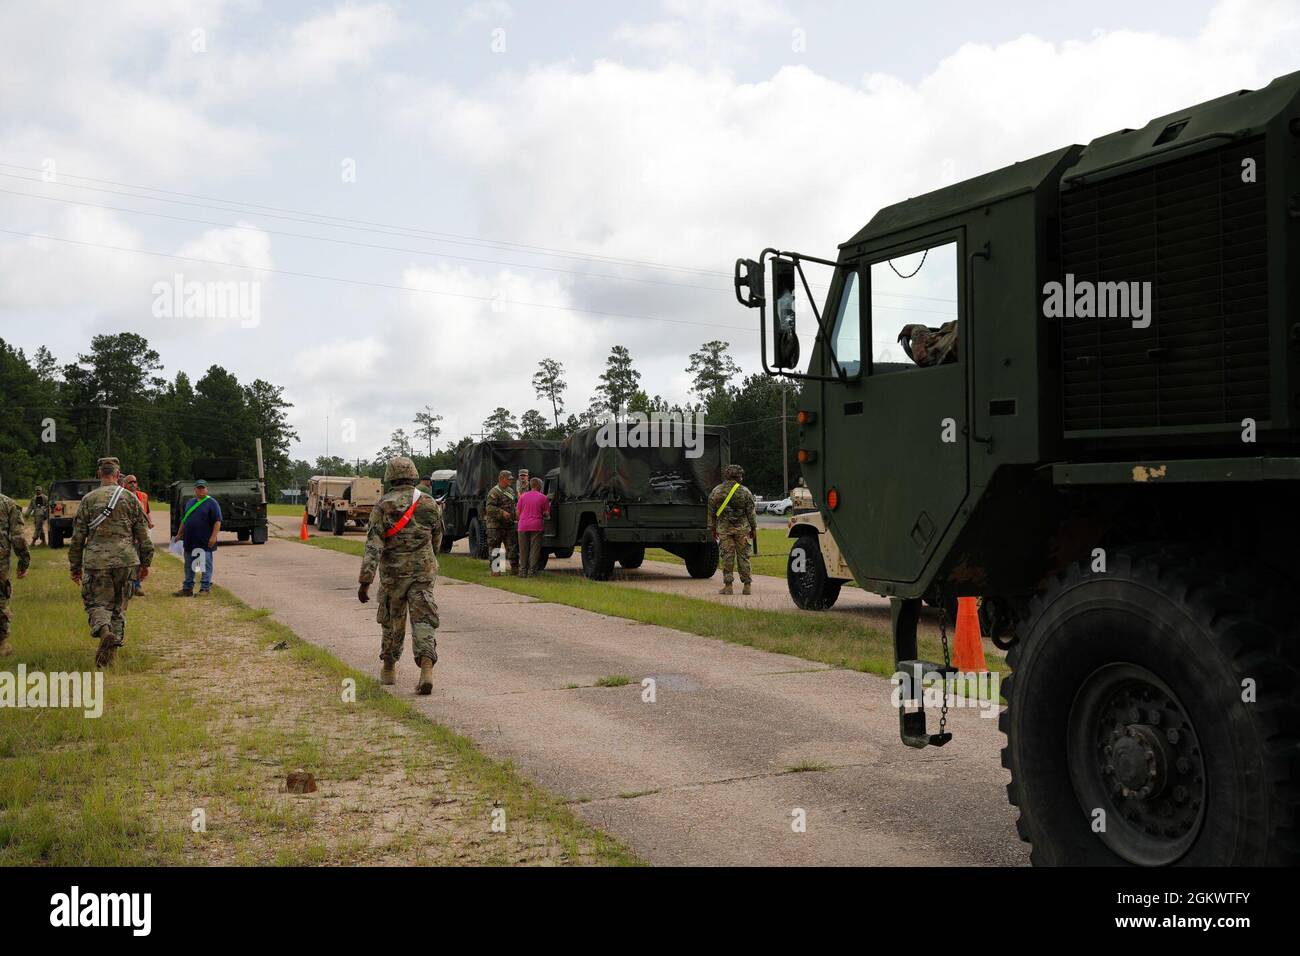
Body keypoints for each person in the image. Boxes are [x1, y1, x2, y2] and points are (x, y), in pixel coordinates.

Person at [357, 456, 443, 694]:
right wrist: (429, 560)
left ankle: (388, 668)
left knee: (392, 621)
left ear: (390, 476)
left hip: (393, 575)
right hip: (423, 573)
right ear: (413, 474)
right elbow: (436, 539)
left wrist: (366, 580)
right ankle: (426, 668)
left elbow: (373, 546)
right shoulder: (428, 502)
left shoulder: (384, 505)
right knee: (424, 619)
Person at [68, 457, 153, 668]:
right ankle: (110, 656)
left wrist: (75, 566)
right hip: (125, 561)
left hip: (97, 562)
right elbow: (144, 536)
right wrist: (145, 563)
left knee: (97, 604)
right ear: (118, 475)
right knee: (119, 608)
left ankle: (104, 632)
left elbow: (78, 538)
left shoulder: (88, 500)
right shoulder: (131, 499)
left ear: (100, 475)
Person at [707, 463, 758, 595]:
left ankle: (728, 586)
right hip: (742, 530)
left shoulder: (716, 491)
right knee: (744, 557)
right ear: (740, 477)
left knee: (727, 557)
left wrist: (712, 528)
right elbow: (751, 513)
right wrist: (753, 528)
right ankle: (747, 586)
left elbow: (711, 513)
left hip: (724, 530)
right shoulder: (745, 492)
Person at [172, 478, 222, 596]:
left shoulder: (212, 503)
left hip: (204, 540)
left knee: (205, 565)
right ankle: (187, 588)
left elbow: (217, 521)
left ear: (206, 489)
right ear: (195, 489)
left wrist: (214, 537)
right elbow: (184, 520)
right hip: (189, 540)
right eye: (198, 488)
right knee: (189, 565)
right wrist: (179, 534)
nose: (200, 490)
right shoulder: (190, 502)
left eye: (203, 488)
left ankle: (205, 588)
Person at [0, 490, 31, 657]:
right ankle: (1, 645)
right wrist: (23, 561)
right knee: (1, 602)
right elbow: (18, 536)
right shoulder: (7, 503)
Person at [484, 469, 518, 576]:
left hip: (509, 524)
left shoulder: (511, 491)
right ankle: (496, 570)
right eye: (508, 479)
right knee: (496, 548)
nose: (510, 481)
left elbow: (514, 504)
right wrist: (501, 512)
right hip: (496, 525)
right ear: (502, 479)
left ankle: (515, 568)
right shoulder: (494, 492)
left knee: (512, 546)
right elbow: (489, 508)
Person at [123, 475, 152, 596]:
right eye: (130, 482)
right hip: (127, 533)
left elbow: (147, 511)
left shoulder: (143, 496)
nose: (133, 484)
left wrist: (150, 522)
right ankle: (128, 586)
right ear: (124, 484)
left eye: (135, 482)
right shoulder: (121, 496)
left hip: (141, 532)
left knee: (140, 558)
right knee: (129, 561)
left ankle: (137, 585)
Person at [516, 477, 550, 577]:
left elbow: (518, 512)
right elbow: (547, 513)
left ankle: (522, 571)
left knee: (523, 549)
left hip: (522, 525)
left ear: (531, 485)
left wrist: (521, 519)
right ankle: (532, 572)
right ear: (539, 485)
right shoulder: (544, 498)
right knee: (534, 550)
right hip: (536, 526)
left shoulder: (522, 497)